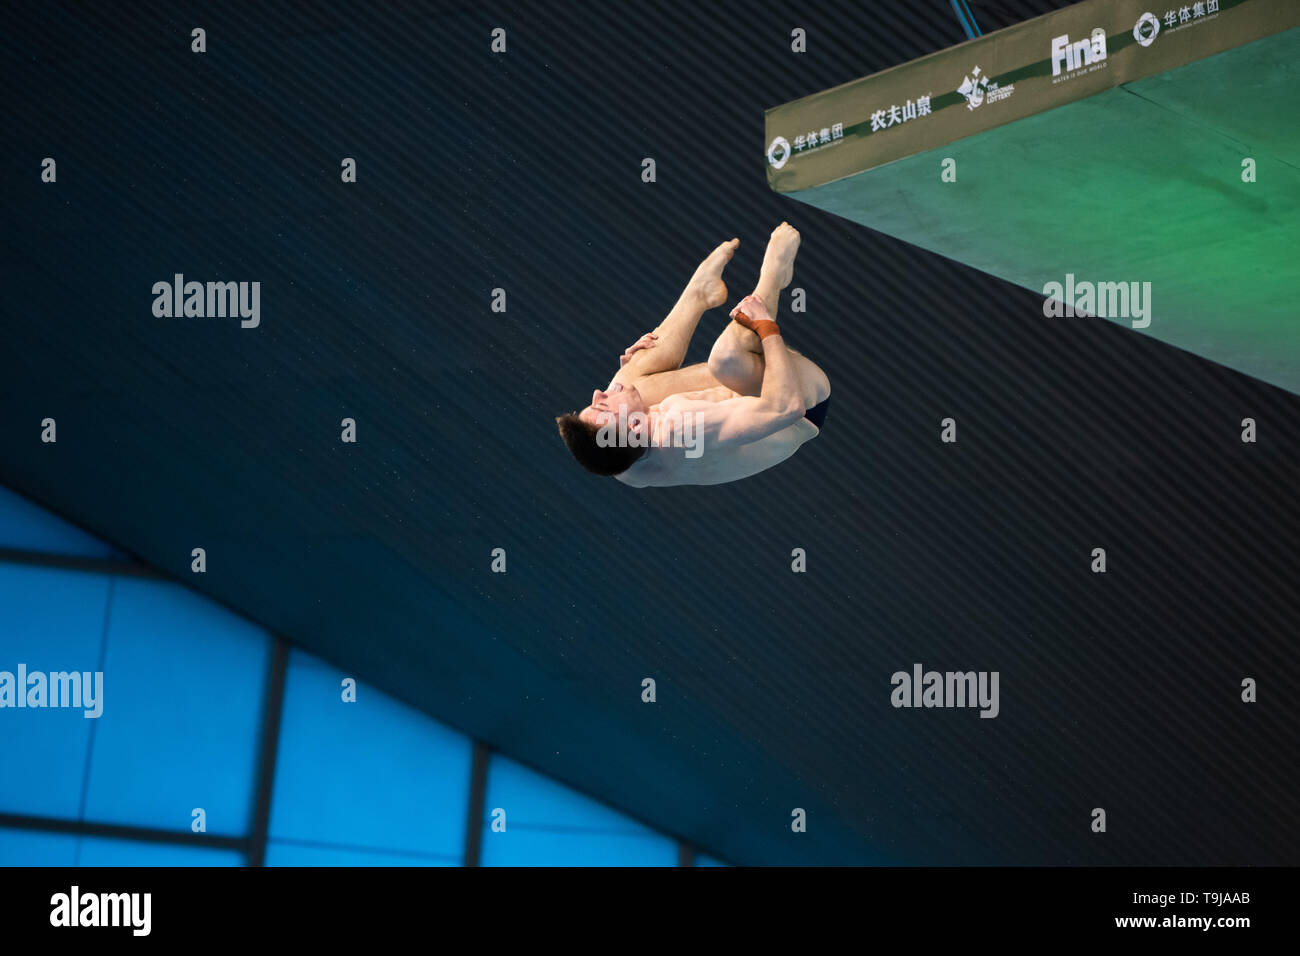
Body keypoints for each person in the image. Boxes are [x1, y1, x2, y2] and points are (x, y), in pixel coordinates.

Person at [555, 222, 830, 487]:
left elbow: (612, 444)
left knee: (625, 385)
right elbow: (786, 408)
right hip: (798, 405)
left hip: (746, 409)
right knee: (726, 358)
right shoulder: (681, 427)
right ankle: (774, 277)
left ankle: (700, 293)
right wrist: (766, 326)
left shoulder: (625, 467)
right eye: (601, 406)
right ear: (638, 429)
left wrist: (637, 368)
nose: (596, 394)